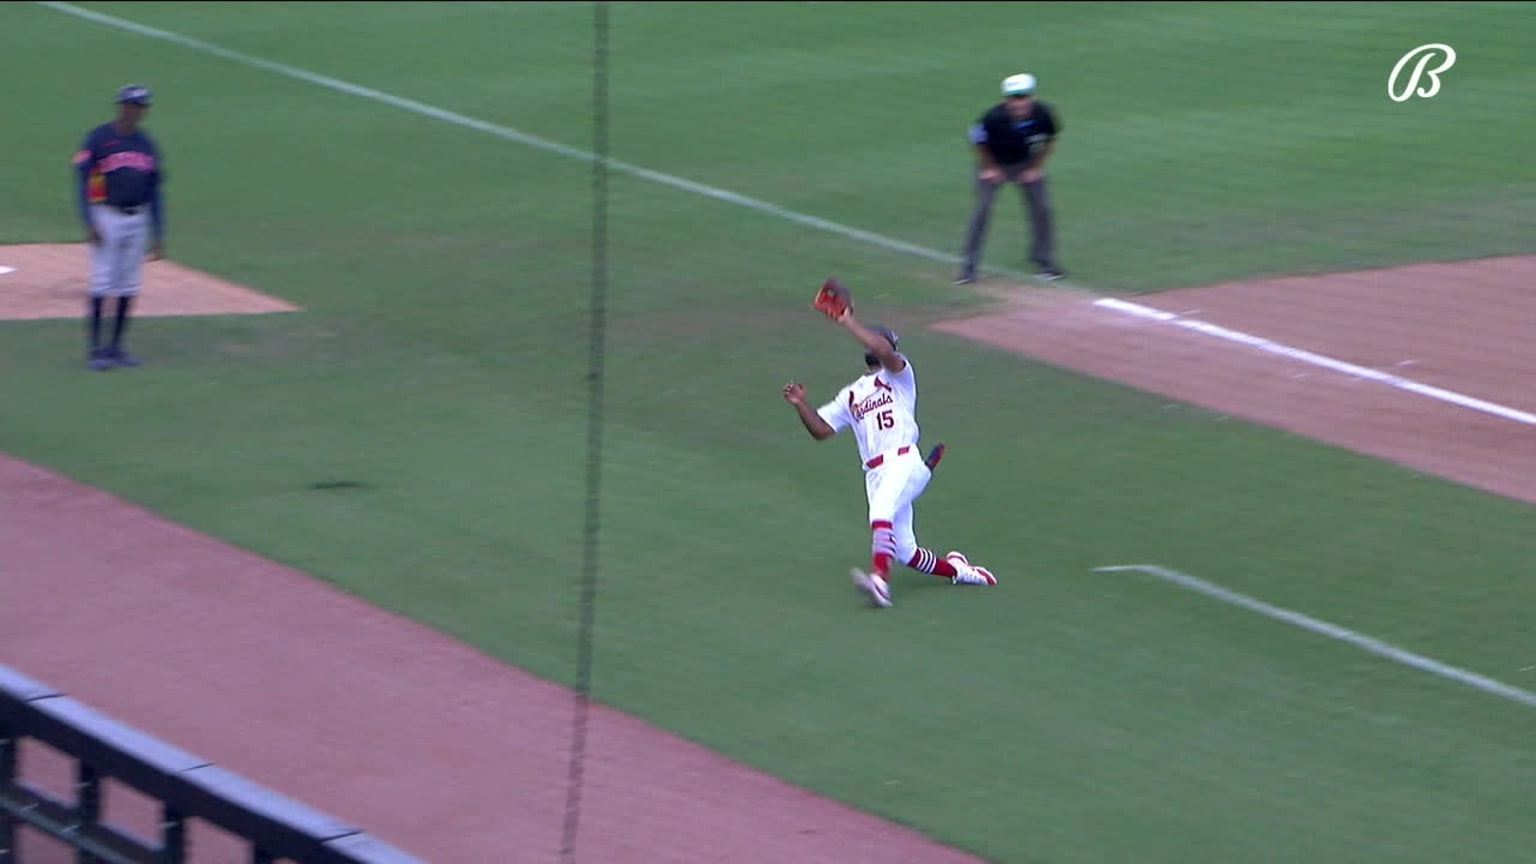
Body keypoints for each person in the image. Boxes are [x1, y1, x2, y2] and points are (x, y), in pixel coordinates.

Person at [781, 300, 997, 609]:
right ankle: (960, 570)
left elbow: (883, 351)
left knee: (880, 512)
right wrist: (801, 404)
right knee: (905, 550)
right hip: (876, 474)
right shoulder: (852, 393)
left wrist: (848, 322)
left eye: (878, 341)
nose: (874, 345)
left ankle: (880, 583)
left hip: (903, 461)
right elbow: (821, 430)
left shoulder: (900, 375)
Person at [73, 84, 166, 370]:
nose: (136, 111)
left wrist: (158, 232)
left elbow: (155, 190)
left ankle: (116, 347)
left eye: (141, 107)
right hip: (107, 215)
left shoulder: (146, 143)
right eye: (133, 105)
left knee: (128, 284)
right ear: (121, 106)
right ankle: (95, 350)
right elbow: (82, 180)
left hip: (137, 218)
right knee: (102, 282)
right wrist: (90, 220)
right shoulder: (99, 138)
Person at [955, 72, 1064, 285]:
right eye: (1014, 97)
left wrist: (1035, 168)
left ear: (1032, 97)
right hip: (994, 162)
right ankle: (968, 267)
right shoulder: (994, 118)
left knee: (1042, 207)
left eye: (1023, 96)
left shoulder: (1043, 114)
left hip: (1025, 162)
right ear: (1006, 99)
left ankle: (1044, 261)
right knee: (982, 210)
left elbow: (1050, 140)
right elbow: (978, 140)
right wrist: (989, 168)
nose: (1019, 102)